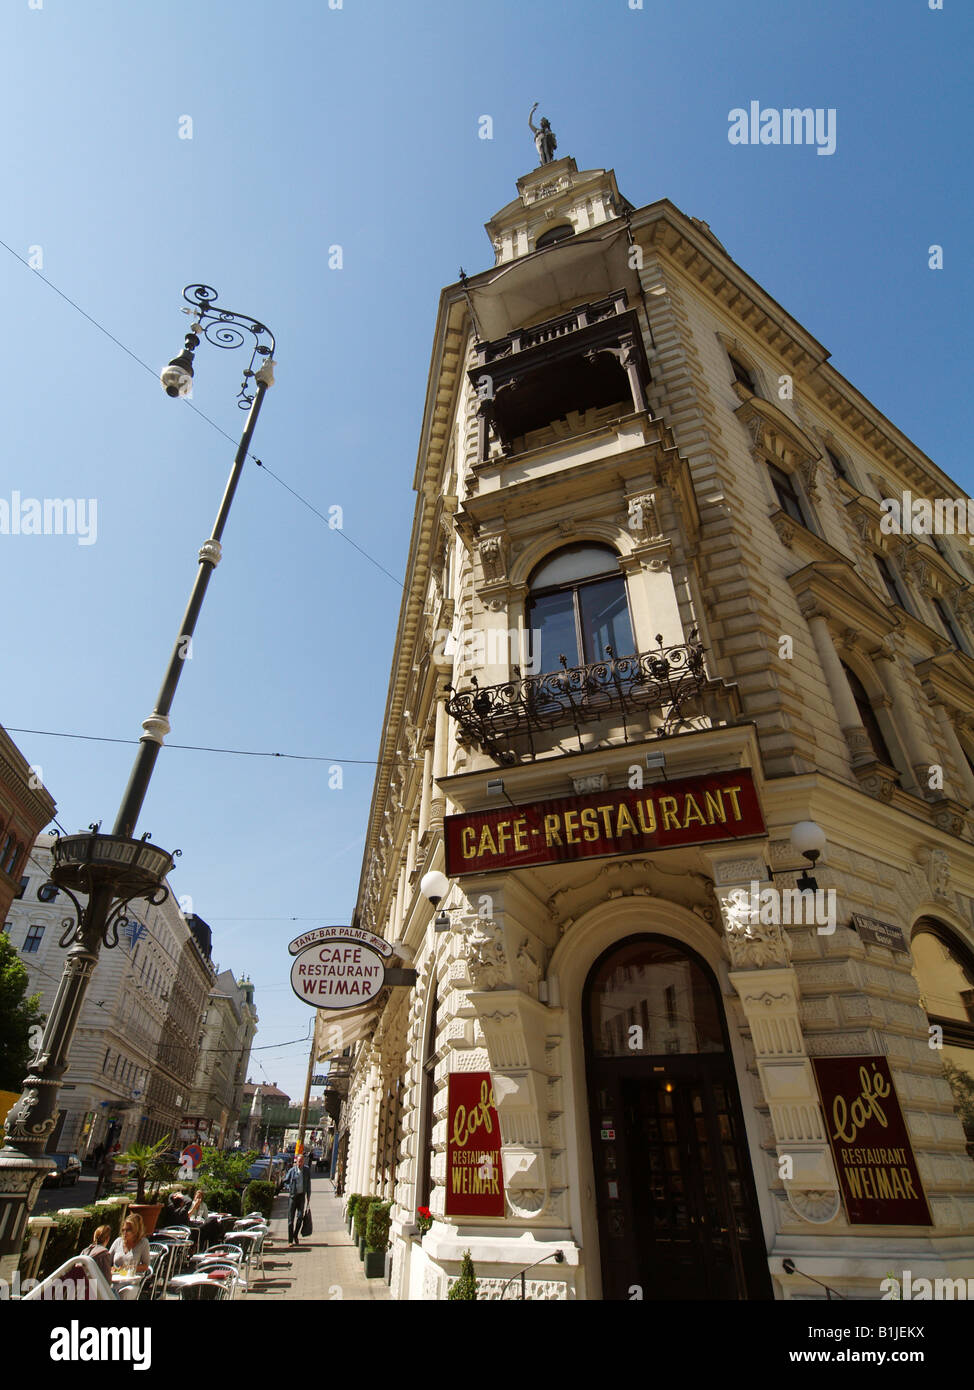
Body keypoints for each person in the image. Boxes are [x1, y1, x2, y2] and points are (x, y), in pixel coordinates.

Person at [283, 1153, 311, 1246]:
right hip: (293, 1197)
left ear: (303, 1162)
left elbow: (308, 1183)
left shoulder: (306, 1170)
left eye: (302, 1161)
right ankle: (290, 1240)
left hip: (301, 1196)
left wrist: (308, 1195)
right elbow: (285, 1181)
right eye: (299, 1161)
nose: (300, 1163)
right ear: (296, 1162)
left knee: (300, 1217)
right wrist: (289, 1188)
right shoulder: (292, 1171)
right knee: (290, 1220)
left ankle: (295, 1235)